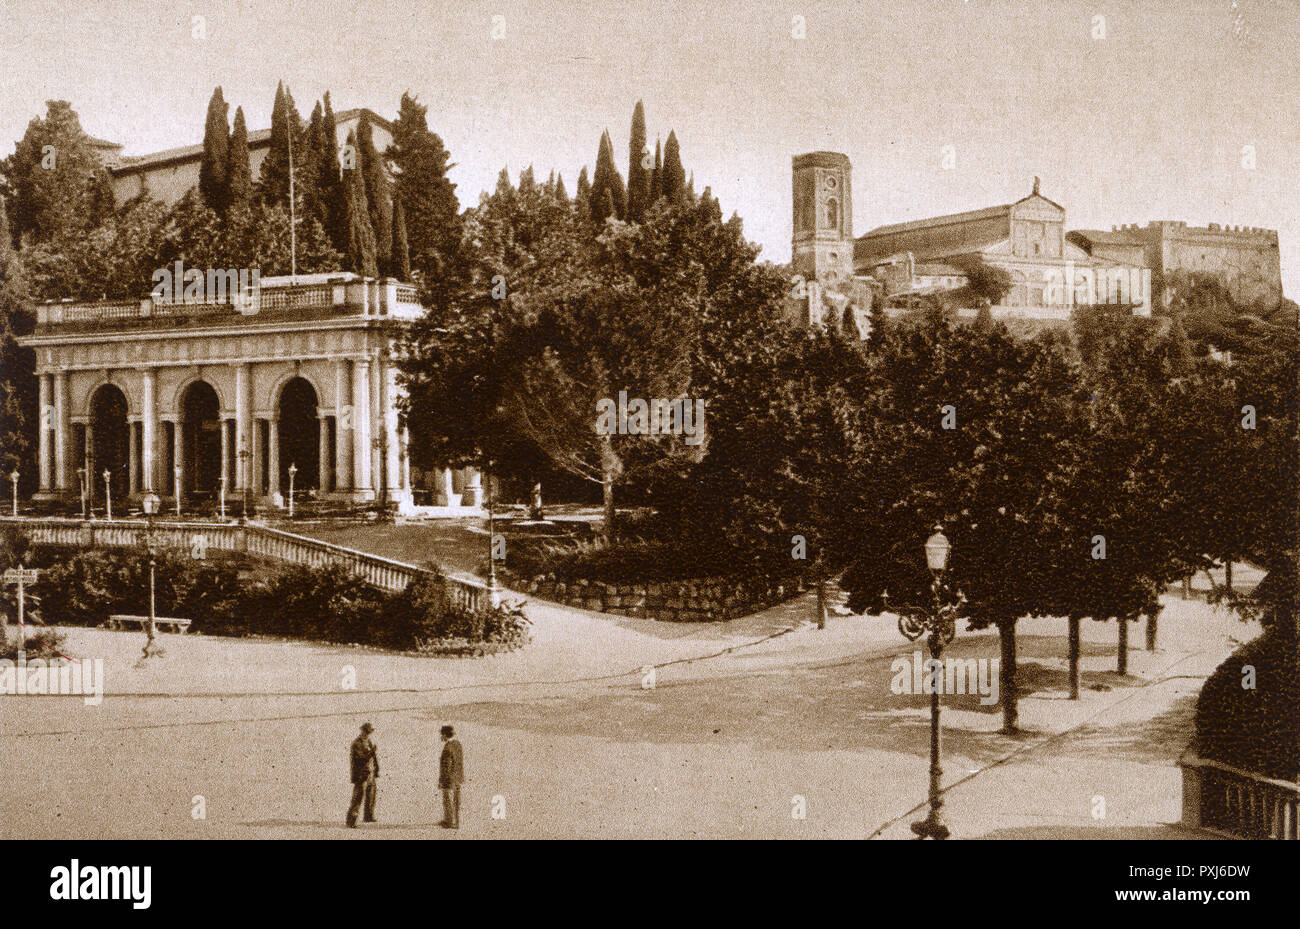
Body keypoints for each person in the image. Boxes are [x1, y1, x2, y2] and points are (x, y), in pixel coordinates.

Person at [347, 722, 379, 827]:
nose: (368, 734)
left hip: (370, 773)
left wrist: (376, 768)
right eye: (367, 732)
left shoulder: (368, 741)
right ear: (363, 731)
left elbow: (373, 757)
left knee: (371, 795)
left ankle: (368, 816)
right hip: (361, 775)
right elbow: (361, 758)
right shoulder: (357, 743)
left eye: (369, 732)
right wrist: (372, 752)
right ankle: (351, 821)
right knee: (357, 798)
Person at [438, 724, 464, 829]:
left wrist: (441, 781)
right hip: (458, 777)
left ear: (445, 735)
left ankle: (449, 822)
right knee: (456, 800)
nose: (441, 737)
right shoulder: (458, 744)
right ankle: (456, 822)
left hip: (449, 779)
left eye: (441, 735)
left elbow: (446, 767)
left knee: (447, 800)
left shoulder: (447, 748)